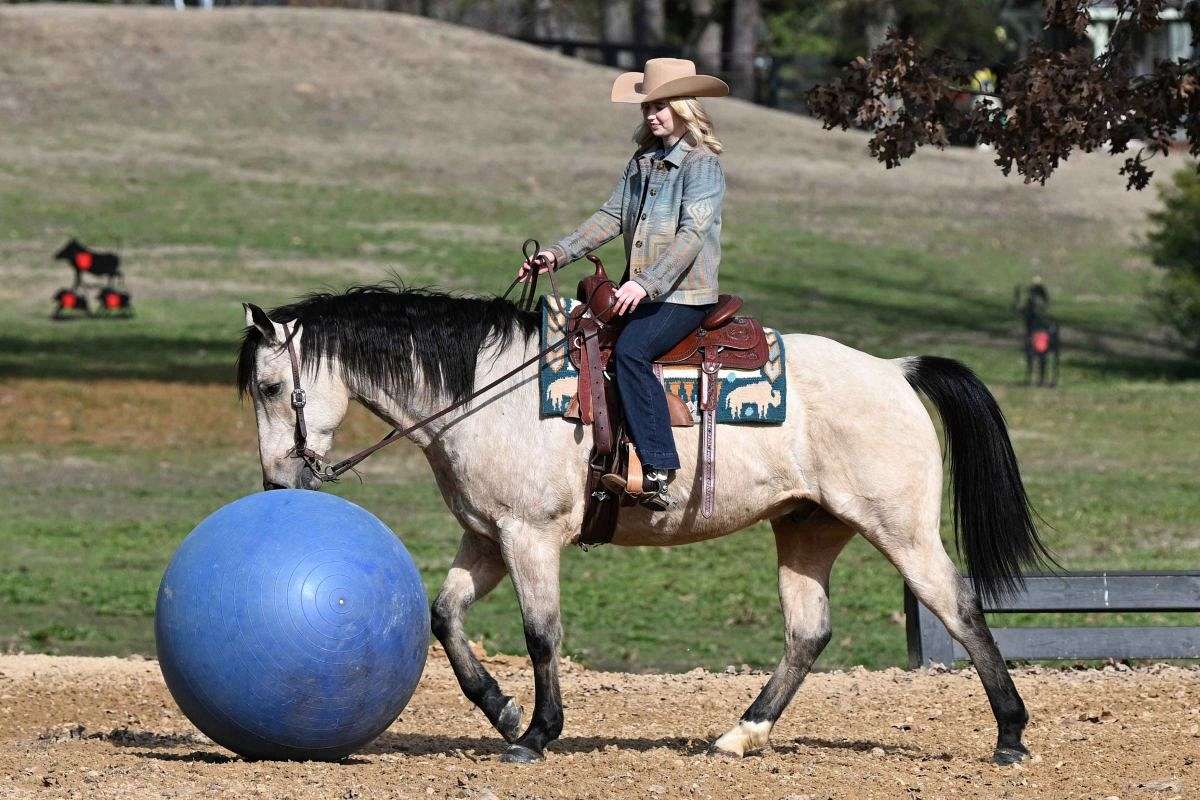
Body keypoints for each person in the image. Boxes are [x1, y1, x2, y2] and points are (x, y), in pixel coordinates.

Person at [517, 57, 729, 511]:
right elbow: (612, 216)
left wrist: (645, 284)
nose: (653, 114)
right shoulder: (643, 162)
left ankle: (657, 468)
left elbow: (692, 235)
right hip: (647, 290)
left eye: (663, 105)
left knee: (632, 350)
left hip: (683, 295)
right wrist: (556, 253)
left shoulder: (701, 165)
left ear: (685, 106)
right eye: (648, 106)